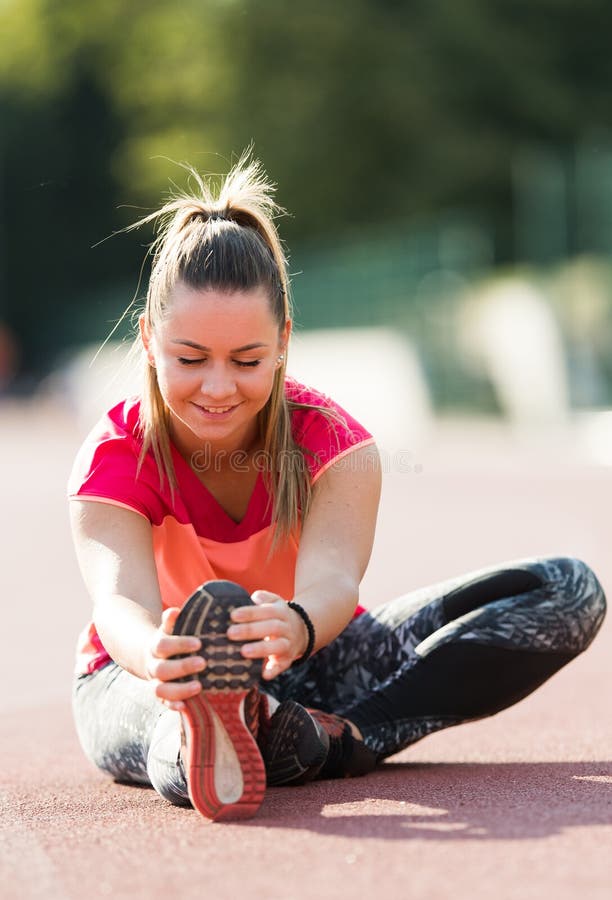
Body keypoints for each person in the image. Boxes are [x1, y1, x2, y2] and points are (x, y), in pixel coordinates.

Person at [69, 152, 607, 822]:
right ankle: (218, 733)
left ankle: (335, 739)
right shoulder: (115, 453)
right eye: (190, 358)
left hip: (308, 658)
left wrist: (293, 627)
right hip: (142, 679)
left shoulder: (334, 444)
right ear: (149, 340)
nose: (217, 386)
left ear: (284, 341)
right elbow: (119, 603)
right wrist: (160, 657)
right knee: (171, 728)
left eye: (247, 360)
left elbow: (333, 584)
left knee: (567, 590)